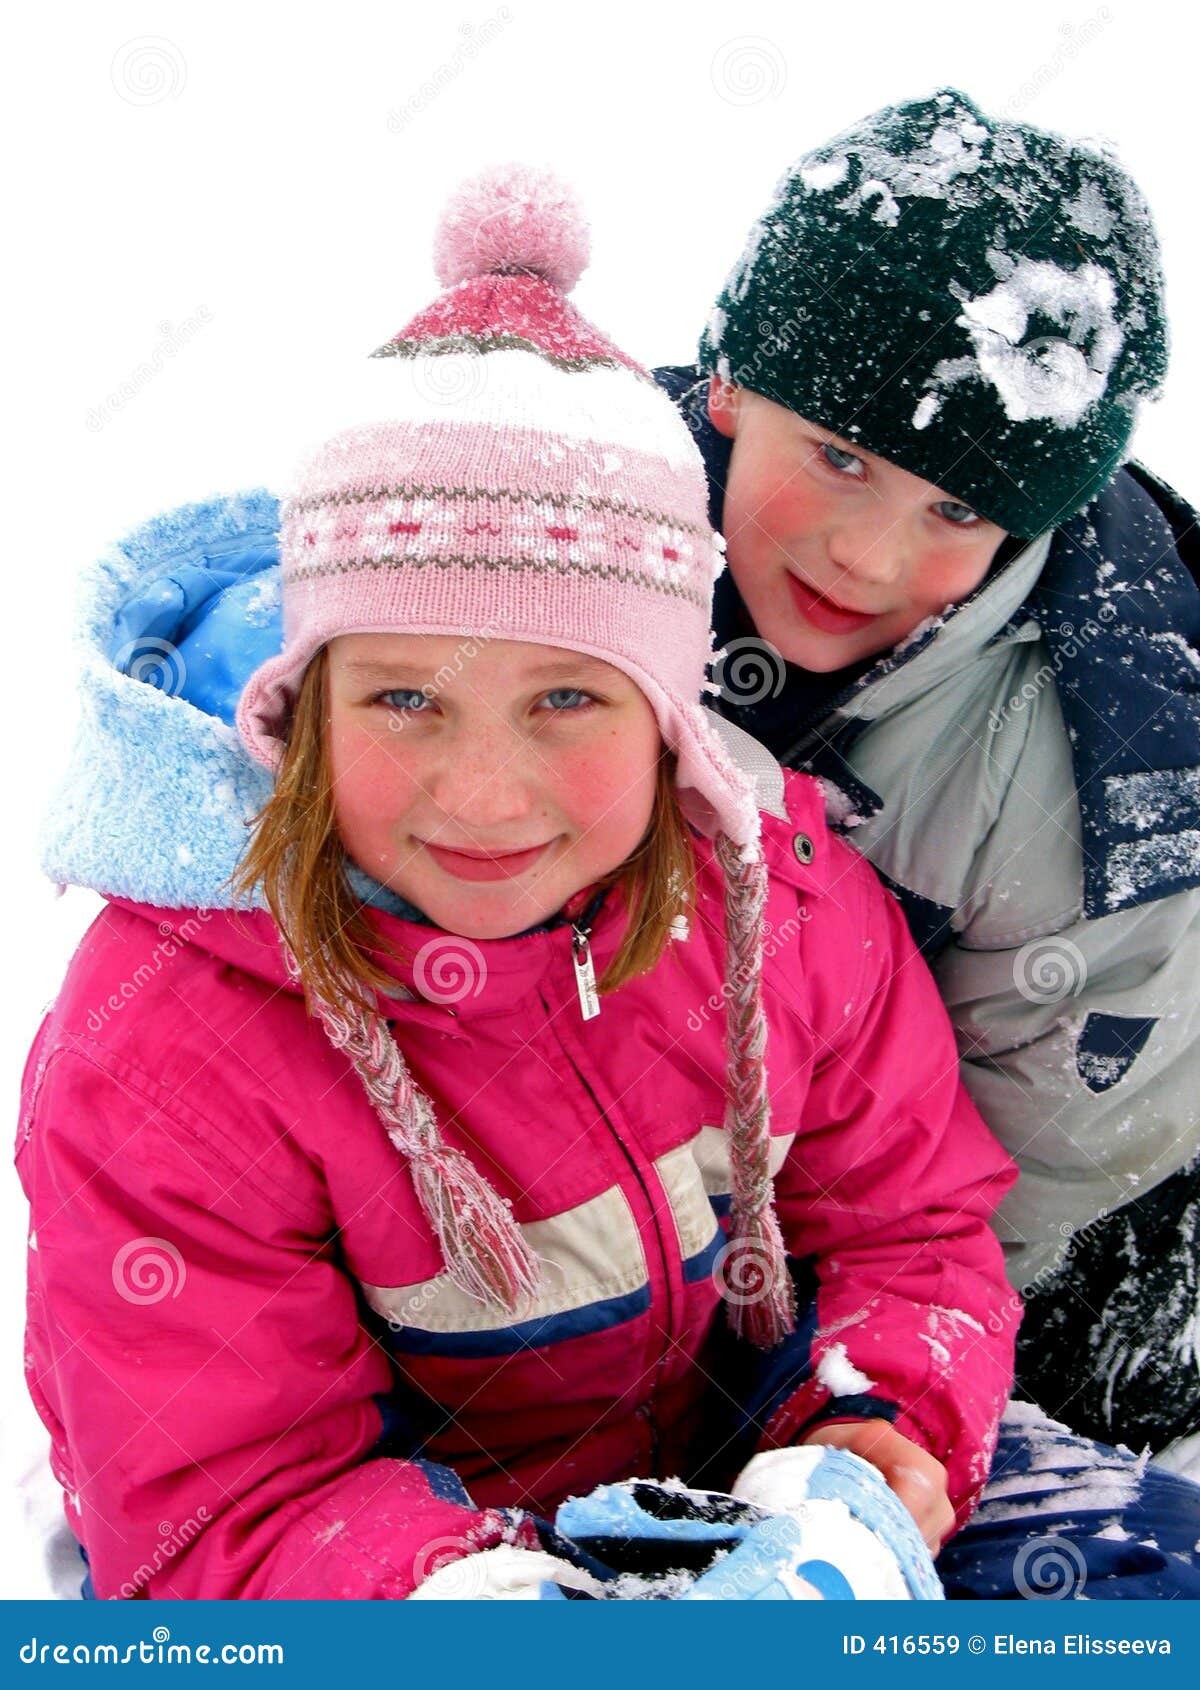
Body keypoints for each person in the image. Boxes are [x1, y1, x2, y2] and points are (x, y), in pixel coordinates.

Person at [20, 165, 1200, 1604]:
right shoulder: (167, 1043)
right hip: (374, 1578)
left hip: (736, 1482)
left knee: (1152, 1579)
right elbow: (229, 1502)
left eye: (567, 700)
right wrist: (497, 1603)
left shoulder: (782, 895)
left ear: (674, 713)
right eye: (404, 699)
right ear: (304, 701)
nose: (484, 791)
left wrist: (865, 1452)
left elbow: (910, 1226)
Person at [653, 87, 1200, 1455]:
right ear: (728, 385)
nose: (869, 558)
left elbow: (1024, 1177)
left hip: (1075, 1154)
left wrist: (834, 1391)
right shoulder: (583, 516)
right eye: (836, 457)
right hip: (722, 1107)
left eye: (957, 509)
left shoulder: (1103, 779)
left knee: (1037, 1411)